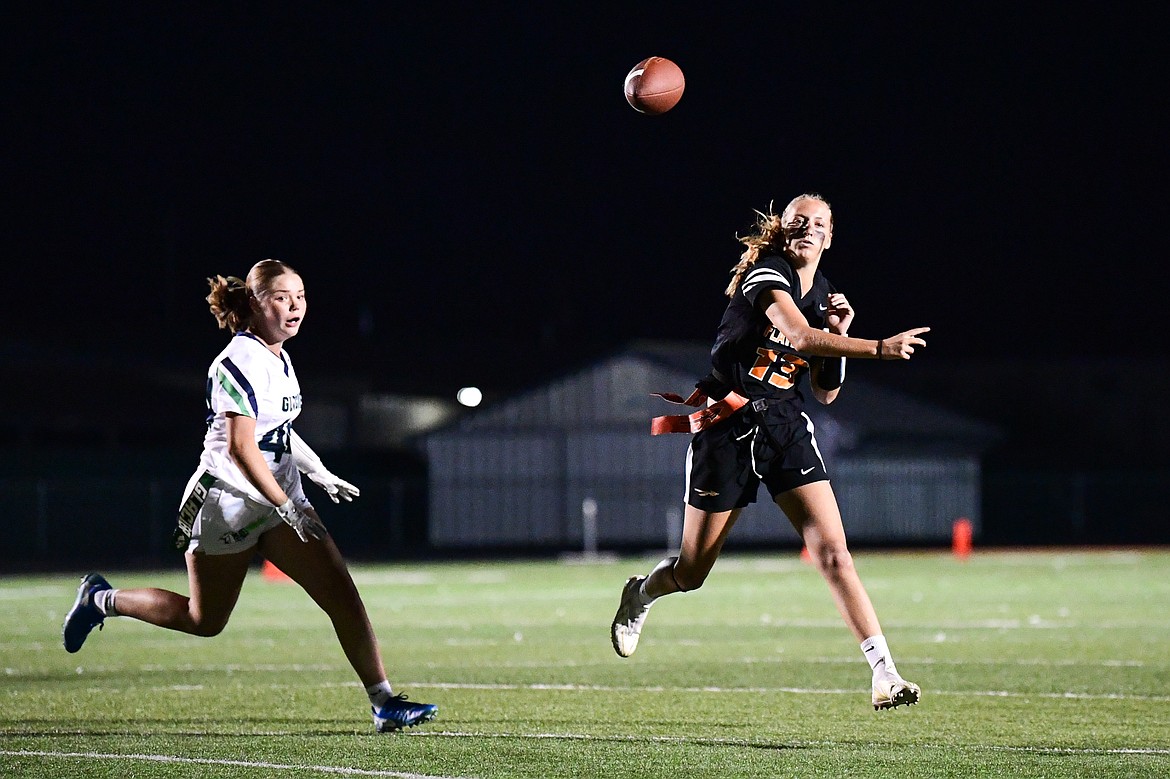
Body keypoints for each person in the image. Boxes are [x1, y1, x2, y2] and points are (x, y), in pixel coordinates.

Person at [61, 259, 437, 733]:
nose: (295, 306)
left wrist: (317, 473)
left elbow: (275, 432)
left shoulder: (279, 355)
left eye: (300, 295)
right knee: (205, 620)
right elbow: (241, 448)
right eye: (282, 297)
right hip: (226, 504)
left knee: (342, 594)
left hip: (275, 497)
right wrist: (287, 505)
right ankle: (101, 599)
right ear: (256, 304)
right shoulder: (238, 361)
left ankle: (384, 702)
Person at [610, 194, 928, 711]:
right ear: (783, 230)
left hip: (782, 424)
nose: (806, 228)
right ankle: (641, 593)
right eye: (797, 221)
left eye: (817, 223)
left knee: (834, 554)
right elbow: (800, 337)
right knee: (692, 573)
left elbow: (826, 392)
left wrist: (841, 336)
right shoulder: (766, 272)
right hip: (726, 426)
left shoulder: (822, 291)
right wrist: (877, 347)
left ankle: (884, 674)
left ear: (830, 235)